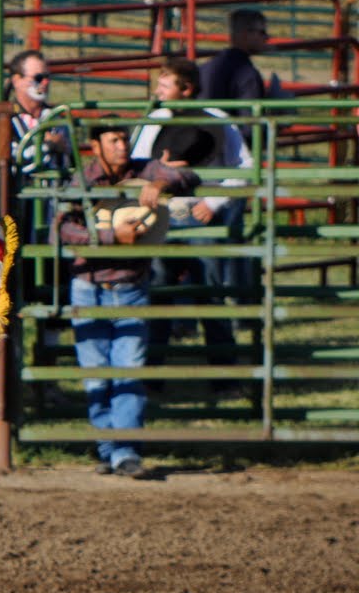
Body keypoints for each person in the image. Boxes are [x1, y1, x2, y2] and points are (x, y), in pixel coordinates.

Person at [57, 121, 199, 478]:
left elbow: (189, 176)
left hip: (129, 284)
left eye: (124, 139)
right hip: (91, 285)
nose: (122, 146)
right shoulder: (81, 181)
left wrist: (160, 183)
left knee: (127, 371)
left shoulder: (144, 169)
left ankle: (123, 451)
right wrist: (110, 238)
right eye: (113, 140)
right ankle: (111, 448)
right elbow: (62, 228)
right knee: (98, 376)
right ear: (96, 146)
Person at [130, 56, 254, 377]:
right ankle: (153, 373)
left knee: (208, 291)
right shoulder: (157, 118)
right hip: (163, 214)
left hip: (199, 216)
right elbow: (137, 162)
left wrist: (212, 203)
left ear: (186, 89)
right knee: (159, 289)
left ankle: (222, 374)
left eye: (164, 83)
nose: (158, 89)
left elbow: (244, 168)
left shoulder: (216, 120)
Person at [0, 49, 72, 243]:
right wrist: (45, 146)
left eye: (47, 77)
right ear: (17, 80)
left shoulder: (57, 118)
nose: (45, 83)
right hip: (18, 207)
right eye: (38, 77)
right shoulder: (3, 124)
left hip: (53, 206)